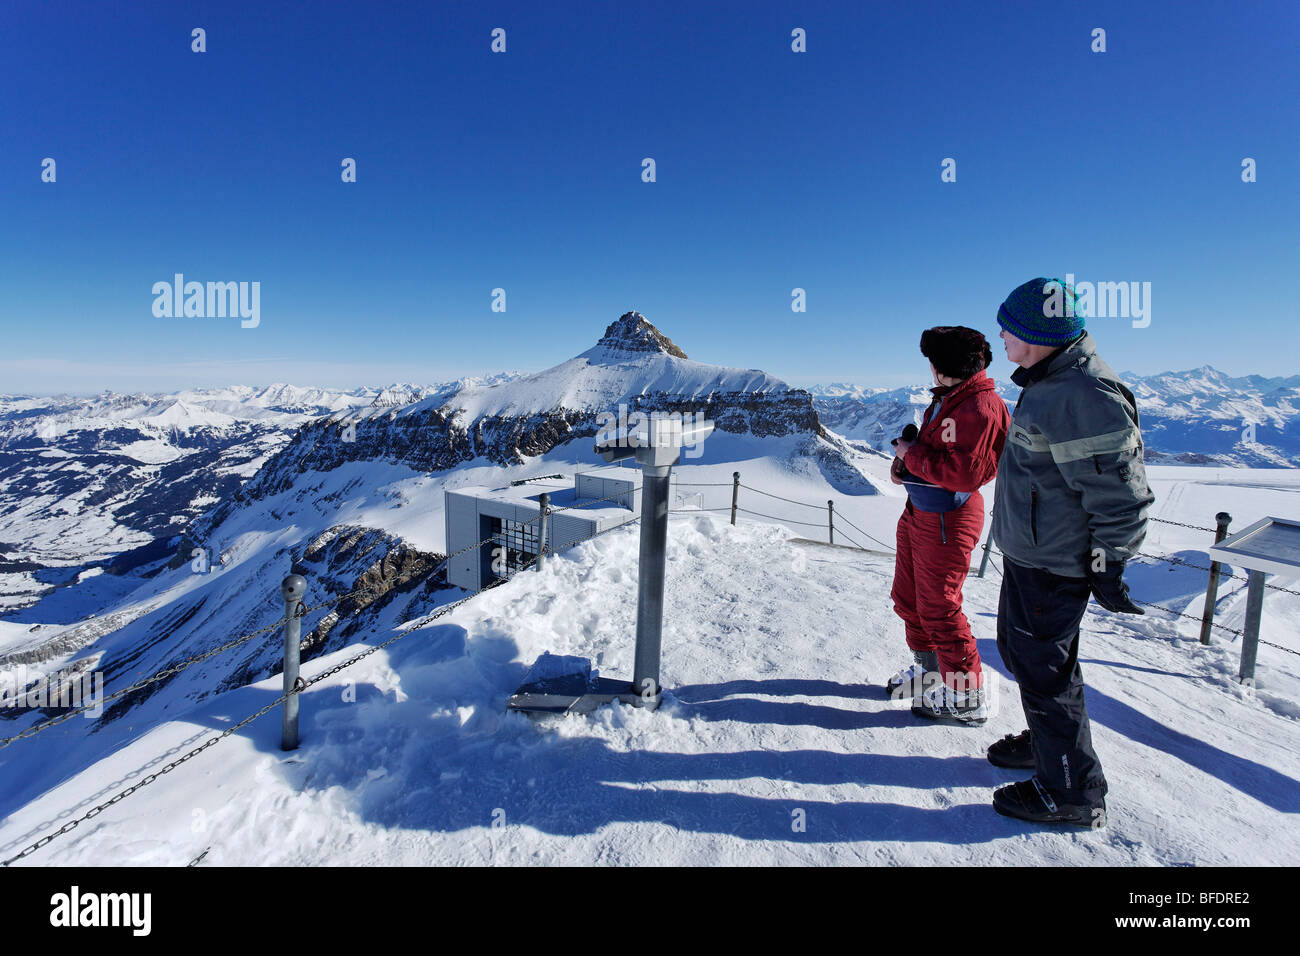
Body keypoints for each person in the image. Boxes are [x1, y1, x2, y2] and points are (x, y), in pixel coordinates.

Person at [988, 277, 1154, 827]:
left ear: (1034, 334)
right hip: (1033, 555)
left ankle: (1072, 791)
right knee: (1021, 653)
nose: (1003, 338)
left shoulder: (1082, 395)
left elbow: (1120, 495)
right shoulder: (1051, 383)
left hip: (1056, 564)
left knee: (1045, 672)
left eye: (1008, 327)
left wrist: (1109, 563)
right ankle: (1047, 744)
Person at [888, 326, 1010, 724]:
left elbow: (964, 474)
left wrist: (912, 455)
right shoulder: (950, 400)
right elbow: (938, 457)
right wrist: (907, 465)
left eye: (932, 363)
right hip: (922, 511)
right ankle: (929, 676)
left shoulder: (978, 408)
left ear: (943, 366)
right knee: (910, 599)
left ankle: (967, 699)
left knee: (940, 606)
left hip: (948, 518)